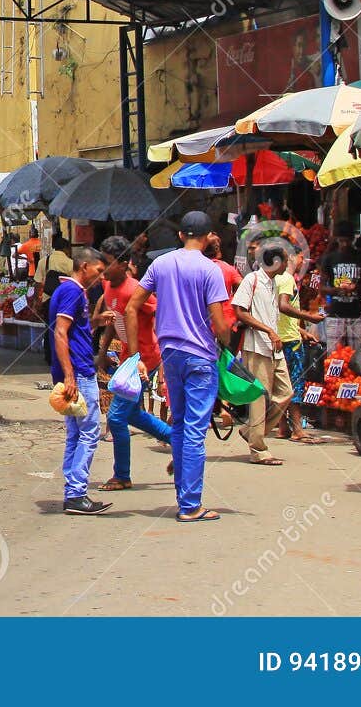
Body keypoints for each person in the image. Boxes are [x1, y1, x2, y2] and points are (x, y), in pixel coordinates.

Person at [122, 211, 232, 523]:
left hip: (170, 353)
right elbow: (220, 322)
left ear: (181, 235)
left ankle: (185, 497)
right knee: (195, 430)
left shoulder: (161, 264)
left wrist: (135, 356)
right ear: (209, 236)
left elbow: (132, 306)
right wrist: (227, 346)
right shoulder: (210, 271)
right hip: (200, 356)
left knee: (182, 425)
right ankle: (190, 505)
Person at [94, 235, 171, 491]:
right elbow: (113, 323)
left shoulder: (136, 289)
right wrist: (103, 351)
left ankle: (122, 475)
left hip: (143, 359)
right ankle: (180, 443)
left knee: (116, 418)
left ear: (123, 263)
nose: (102, 268)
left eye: (107, 262)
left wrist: (157, 361)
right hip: (128, 358)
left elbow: (161, 314)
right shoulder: (108, 287)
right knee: (133, 414)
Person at [49, 246, 111, 515]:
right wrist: (71, 375)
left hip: (76, 371)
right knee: (88, 433)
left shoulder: (69, 292)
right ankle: (76, 492)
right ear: (85, 266)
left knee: (76, 434)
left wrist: (95, 321)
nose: (101, 276)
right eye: (99, 271)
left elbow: (74, 329)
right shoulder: (72, 291)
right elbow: (61, 333)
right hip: (80, 373)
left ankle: (72, 491)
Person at [231, 246, 296, 466]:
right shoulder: (252, 280)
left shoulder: (274, 283)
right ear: (277, 262)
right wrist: (268, 331)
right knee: (259, 397)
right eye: (286, 261)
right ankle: (258, 449)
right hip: (257, 346)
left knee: (286, 392)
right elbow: (240, 311)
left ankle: (252, 430)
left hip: (273, 348)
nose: (288, 265)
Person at [276, 252, 322, 441]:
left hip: (281, 336)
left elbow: (282, 316)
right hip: (289, 341)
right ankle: (297, 429)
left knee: (279, 386)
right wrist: (309, 318)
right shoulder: (286, 279)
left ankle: (282, 427)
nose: (304, 262)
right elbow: (283, 306)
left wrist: (303, 332)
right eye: (301, 257)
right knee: (294, 384)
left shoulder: (271, 278)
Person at [319, 222, 361, 374]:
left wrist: (355, 288)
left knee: (358, 358)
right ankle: (334, 388)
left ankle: (357, 386)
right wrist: (336, 290)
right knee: (334, 358)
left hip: (357, 315)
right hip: (335, 314)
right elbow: (321, 288)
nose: (344, 244)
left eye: (347, 241)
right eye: (341, 241)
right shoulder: (329, 259)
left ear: (352, 239)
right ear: (336, 239)